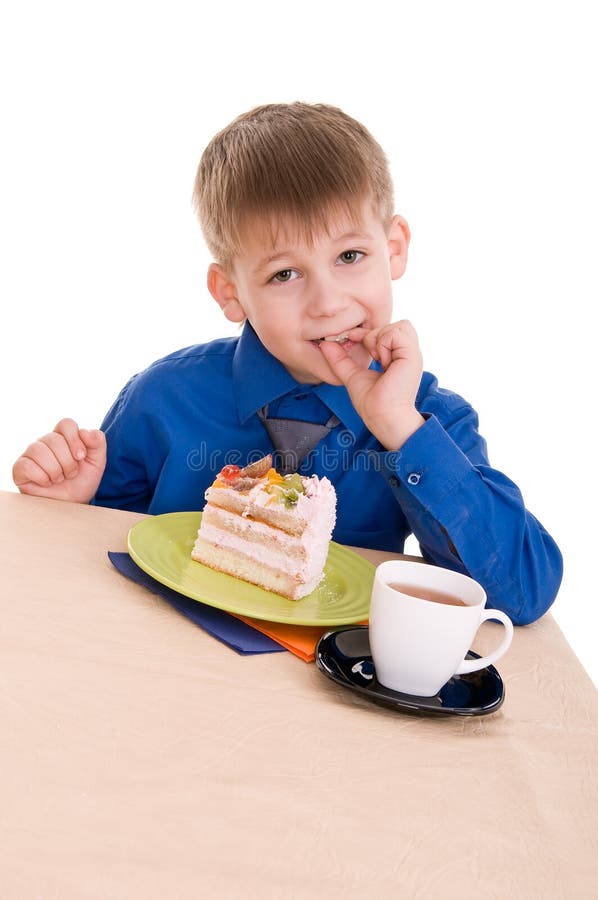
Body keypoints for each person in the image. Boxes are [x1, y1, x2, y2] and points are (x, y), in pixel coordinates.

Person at [12, 102, 562, 624]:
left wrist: (399, 428)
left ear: (393, 248)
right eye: (284, 274)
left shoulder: (428, 421)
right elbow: (99, 568)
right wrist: (69, 513)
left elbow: (522, 593)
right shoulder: (163, 399)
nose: (328, 302)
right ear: (230, 292)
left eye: (350, 256)